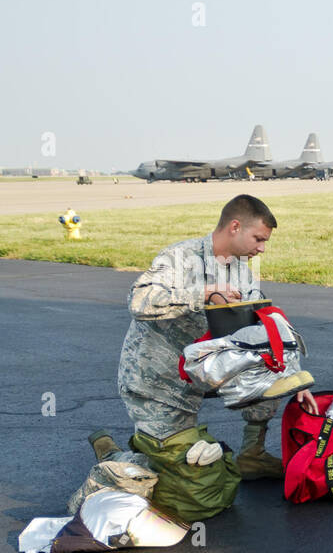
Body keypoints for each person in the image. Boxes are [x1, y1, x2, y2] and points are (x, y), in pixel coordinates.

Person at [91, 194, 317, 479]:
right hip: (160, 381)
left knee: (270, 380)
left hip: (207, 370)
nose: (262, 249)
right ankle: (113, 457)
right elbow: (139, 301)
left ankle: (252, 454)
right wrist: (203, 294)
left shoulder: (241, 271)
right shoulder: (180, 258)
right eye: (258, 239)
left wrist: (293, 379)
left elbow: (262, 330)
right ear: (235, 227)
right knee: (177, 479)